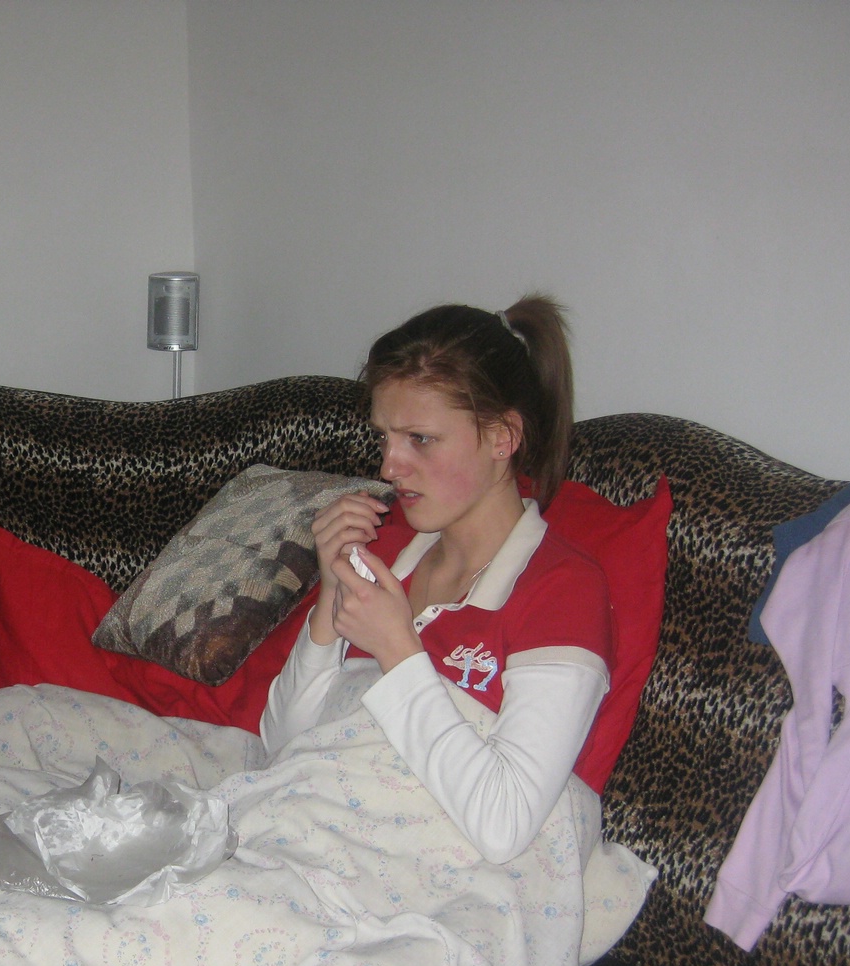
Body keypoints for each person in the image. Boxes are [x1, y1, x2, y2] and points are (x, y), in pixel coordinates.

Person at [261, 295, 614, 864]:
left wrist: (397, 648)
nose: (389, 466)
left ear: (503, 437)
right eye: (384, 437)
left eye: (419, 439)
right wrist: (332, 592)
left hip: (434, 866)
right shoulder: (384, 552)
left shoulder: (562, 589)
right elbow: (279, 746)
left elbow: (503, 825)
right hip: (318, 822)